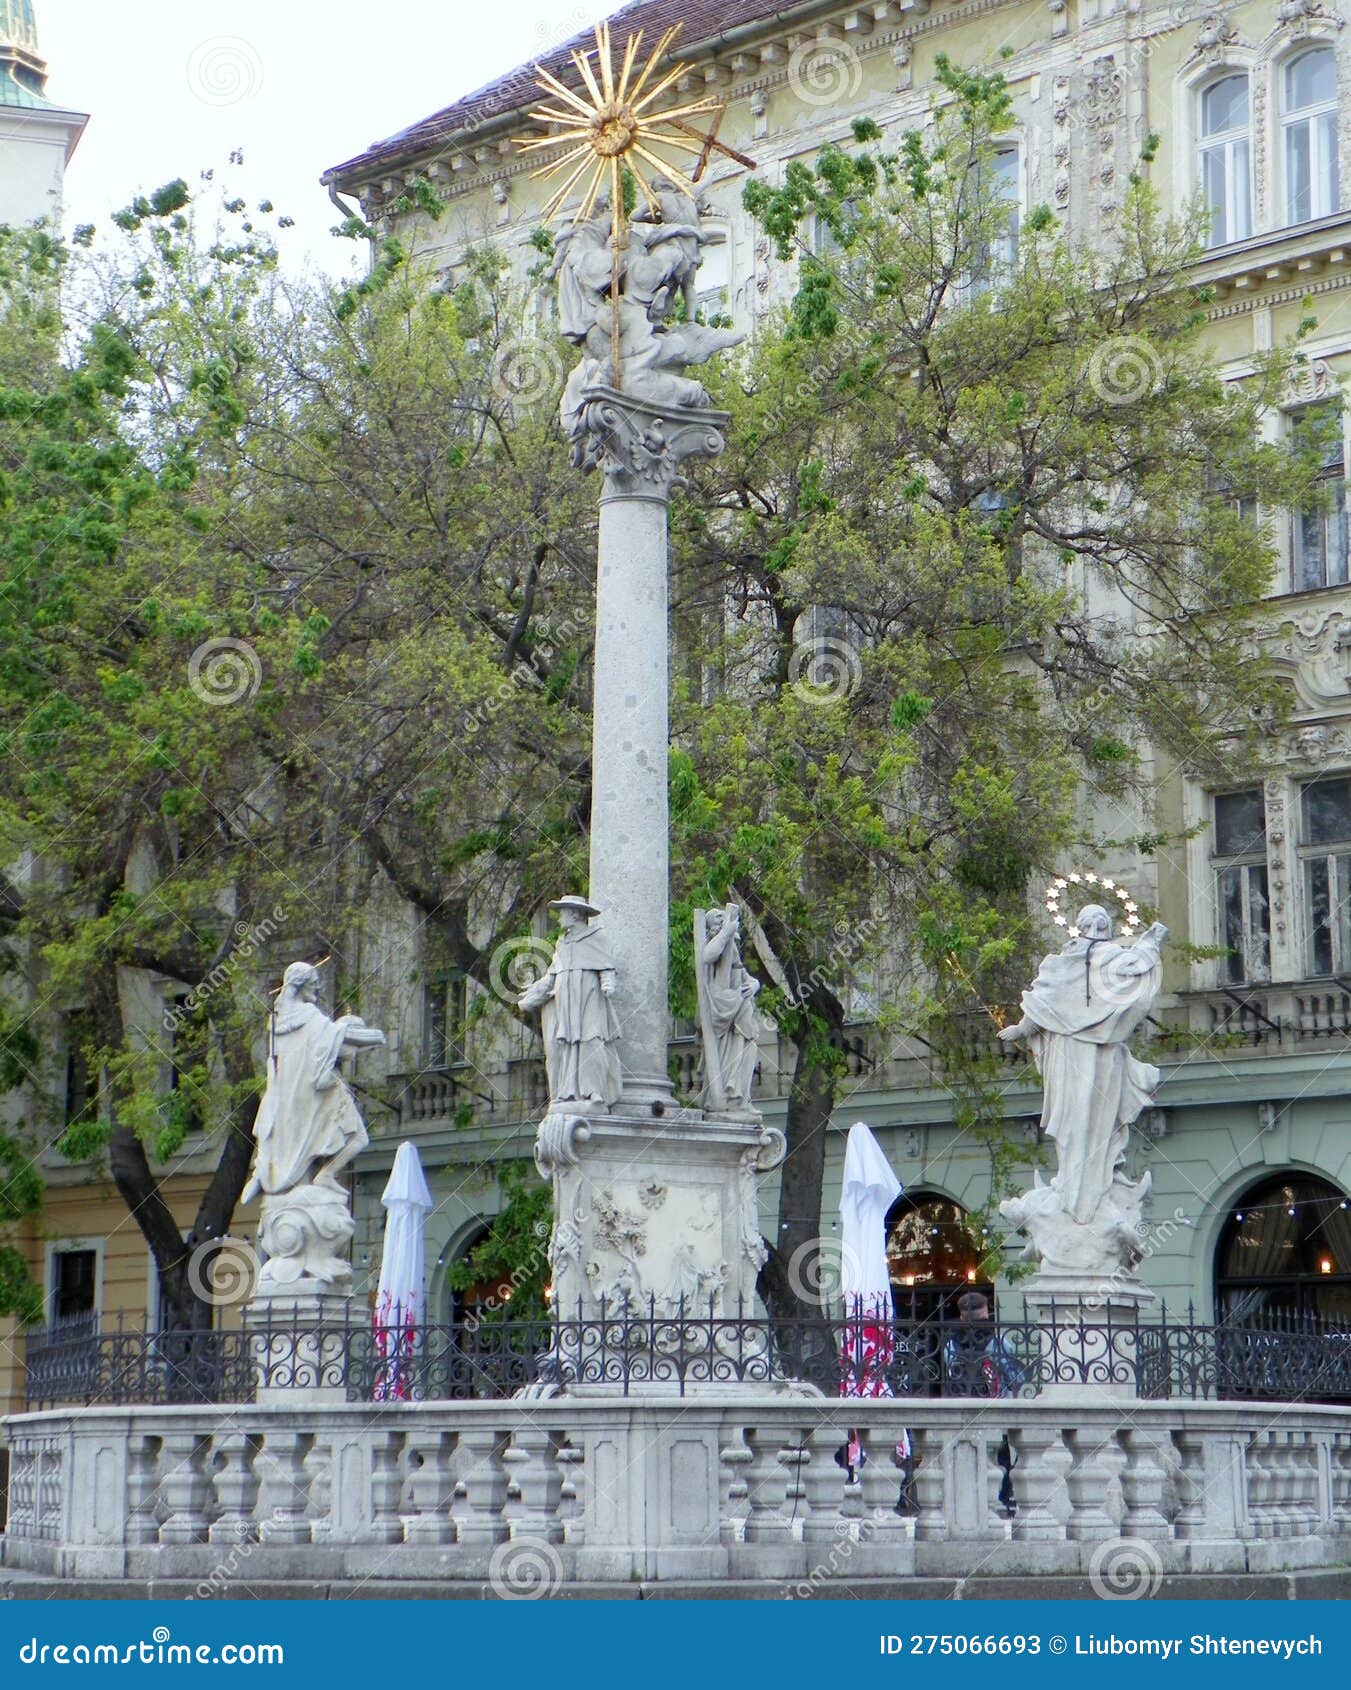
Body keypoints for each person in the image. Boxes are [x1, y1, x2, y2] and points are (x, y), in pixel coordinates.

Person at [998, 905, 1166, 1224]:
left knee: (1098, 1120)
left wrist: (1151, 942)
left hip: (1101, 1057)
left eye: (1102, 923)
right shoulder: (1061, 963)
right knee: (1073, 1121)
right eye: (1090, 923)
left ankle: (1095, 1190)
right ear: (1079, 926)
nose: (1096, 928)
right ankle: (1071, 1191)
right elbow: (1043, 1002)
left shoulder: (1113, 958)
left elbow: (1138, 968)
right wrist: (1022, 1029)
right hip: (1068, 1055)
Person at [243, 961, 386, 1204]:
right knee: (358, 1137)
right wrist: (375, 1037)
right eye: (314, 984)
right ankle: (326, 1174)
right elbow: (335, 1038)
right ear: (300, 985)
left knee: (292, 1144)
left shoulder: (277, 1022)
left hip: (285, 1097)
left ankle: (264, 1174)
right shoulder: (309, 1016)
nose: (317, 989)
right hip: (313, 1094)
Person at [518, 895, 622, 1107]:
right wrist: (532, 995)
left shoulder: (596, 937)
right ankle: (570, 1091)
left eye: (562, 913)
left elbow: (606, 966)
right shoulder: (562, 942)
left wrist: (608, 984)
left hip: (589, 996)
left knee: (591, 1039)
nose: (559, 919)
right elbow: (552, 976)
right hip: (566, 1002)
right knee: (567, 1043)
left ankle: (593, 1090)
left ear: (575, 914)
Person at [943, 1291, 1025, 1518]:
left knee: (965, 1459)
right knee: (1000, 1460)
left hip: (964, 1409)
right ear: (986, 1311)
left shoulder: (950, 1344)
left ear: (961, 1316)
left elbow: (949, 1376)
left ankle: (966, 1504)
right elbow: (1017, 1378)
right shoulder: (998, 1343)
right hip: (997, 1409)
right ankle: (1001, 1501)